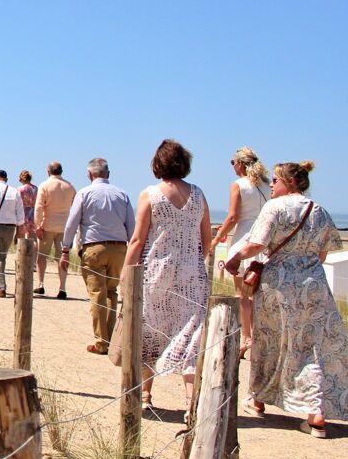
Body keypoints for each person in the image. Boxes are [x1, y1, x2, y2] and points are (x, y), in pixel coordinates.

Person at [223, 161, 347, 439]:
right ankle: (316, 413)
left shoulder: (274, 208)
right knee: (311, 347)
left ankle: (258, 400)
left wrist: (235, 258)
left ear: (290, 182)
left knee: (270, 341)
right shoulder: (320, 211)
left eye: (276, 181)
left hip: (278, 285)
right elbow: (323, 254)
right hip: (313, 285)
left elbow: (256, 244)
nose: (271, 185)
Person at [123, 140, 210, 410]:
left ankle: (145, 395)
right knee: (191, 336)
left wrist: (126, 274)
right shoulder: (198, 195)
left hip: (156, 271)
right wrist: (194, 260)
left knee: (151, 331)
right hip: (192, 275)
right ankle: (190, 401)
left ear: (158, 164)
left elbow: (137, 240)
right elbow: (206, 238)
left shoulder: (150, 194)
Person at [63, 158, 135, 355]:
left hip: (94, 248)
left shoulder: (84, 193)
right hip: (119, 249)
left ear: (89, 175)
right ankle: (110, 339)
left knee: (97, 295)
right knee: (111, 293)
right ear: (108, 174)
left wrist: (65, 249)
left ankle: (102, 342)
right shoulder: (122, 194)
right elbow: (131, 226)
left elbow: (71, 224)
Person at [211, 146, 269, 355]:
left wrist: (217, 238)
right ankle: (256, 337)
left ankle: (247, 338)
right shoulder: (266, 186)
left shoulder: (238, 185)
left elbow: (233, 216)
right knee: (256, 294)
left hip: (244, 238)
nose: (232, 166)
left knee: (242, 294)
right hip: (262, 239)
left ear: (241, 164)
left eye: (232, 162)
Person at [34, 162, 77, 298]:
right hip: (64, 226)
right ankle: (62, 287)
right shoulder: (69, 186)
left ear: (48, 172)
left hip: (48, 224)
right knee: (62, 256)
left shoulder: (45, 185)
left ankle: (40, 284)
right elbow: (75, 208)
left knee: (42, 255)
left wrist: (38, 226)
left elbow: (39, 208)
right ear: (61, 171)